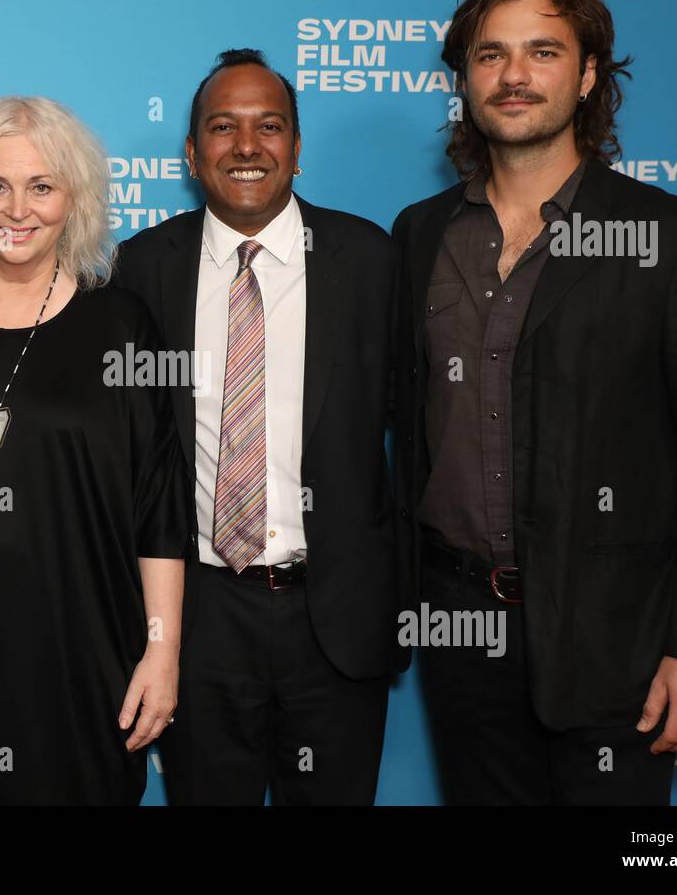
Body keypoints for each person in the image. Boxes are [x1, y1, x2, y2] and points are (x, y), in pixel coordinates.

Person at [392, 0, 677, 804]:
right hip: (461, 626)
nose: (513, 75)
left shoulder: (675, 243)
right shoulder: (420, 236)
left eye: (542, 52)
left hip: (618, 637)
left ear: (589, 74)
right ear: (465, 78)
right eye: (490, 55)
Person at [114, 49, 405, 805]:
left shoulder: (370, 260)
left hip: (335, 617)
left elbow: (421, 436)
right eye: (223, 127)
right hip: (199, 619)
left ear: (297, 150)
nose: (247, 147)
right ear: (191, 152)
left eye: (269, 126)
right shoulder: (140, 270)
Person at [0, 96, 189, 805]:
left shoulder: (123, 324)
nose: (17, 209)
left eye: (41, 187)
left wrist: (163, 649)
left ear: (73, 199)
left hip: (81, 658)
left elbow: (159, 509)